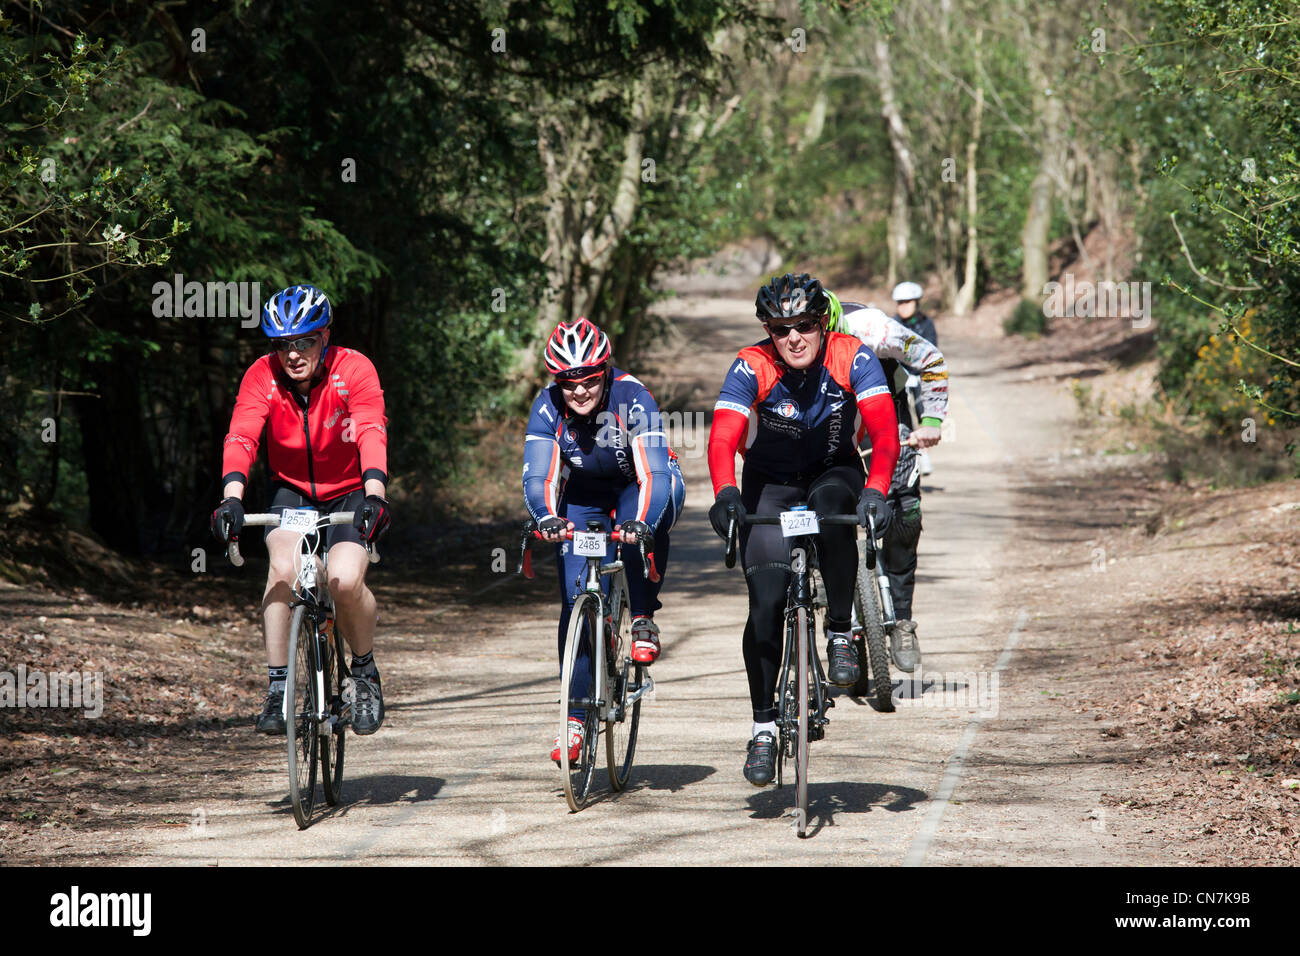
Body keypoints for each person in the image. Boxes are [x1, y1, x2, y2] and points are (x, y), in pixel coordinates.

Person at [706, 273, 899, 787]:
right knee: (765, 600)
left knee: (834, 505)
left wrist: (877, 490)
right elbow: (723, 437)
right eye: (780, 328)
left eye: (805, 325)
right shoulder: (752, 364)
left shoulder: (852, 355)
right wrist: (725, 491)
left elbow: (883, 433)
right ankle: (764, 728)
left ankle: (839, 630)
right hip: (769, 483)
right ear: (768, 330)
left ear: (822, 323)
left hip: (833, 469)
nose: (793, 338)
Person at [210, 285, 392, 737]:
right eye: (281, 344)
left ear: (324, 336)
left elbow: (370, 428)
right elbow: (242, 436)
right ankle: (278, 687)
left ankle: (364, 672)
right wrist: (232, 497)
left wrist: (375, 494)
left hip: (351, 491)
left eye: (304, 341)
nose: (292, 354)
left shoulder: (355, 369)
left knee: (344, 579)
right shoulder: (262, 376)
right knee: (283, 568)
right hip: (292, 493)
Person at [524, 317, 685, 765]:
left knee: (644, 524)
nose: (579, 390)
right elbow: (539, 475)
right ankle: (574, 717)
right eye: (568, 381)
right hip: (584, 495)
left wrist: (642, 525)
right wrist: (546, 517)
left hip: (639, 483)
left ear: (605, 371)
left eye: (589, 379)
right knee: (574, 597)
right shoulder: (547, 405)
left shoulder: (633, 397)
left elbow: (653, 472)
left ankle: (643, 614)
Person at [825, 292, 948, 675]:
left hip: (885, 411)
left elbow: (931, 359)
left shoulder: (874, 330)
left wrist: (932, 421)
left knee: (904, 513)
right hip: (831, 420)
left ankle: (904, 622)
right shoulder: (791, 341)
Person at [891, 281, 939, 475]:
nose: (904, 306)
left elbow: (931, 351)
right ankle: (913, 457)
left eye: (908, 302)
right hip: (900, 375)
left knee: (921, 413)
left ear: (917, 303)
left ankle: (924, 454)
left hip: (920, 376)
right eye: (900, 302)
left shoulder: (926, 324)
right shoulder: (893, 323)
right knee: (903, 416)